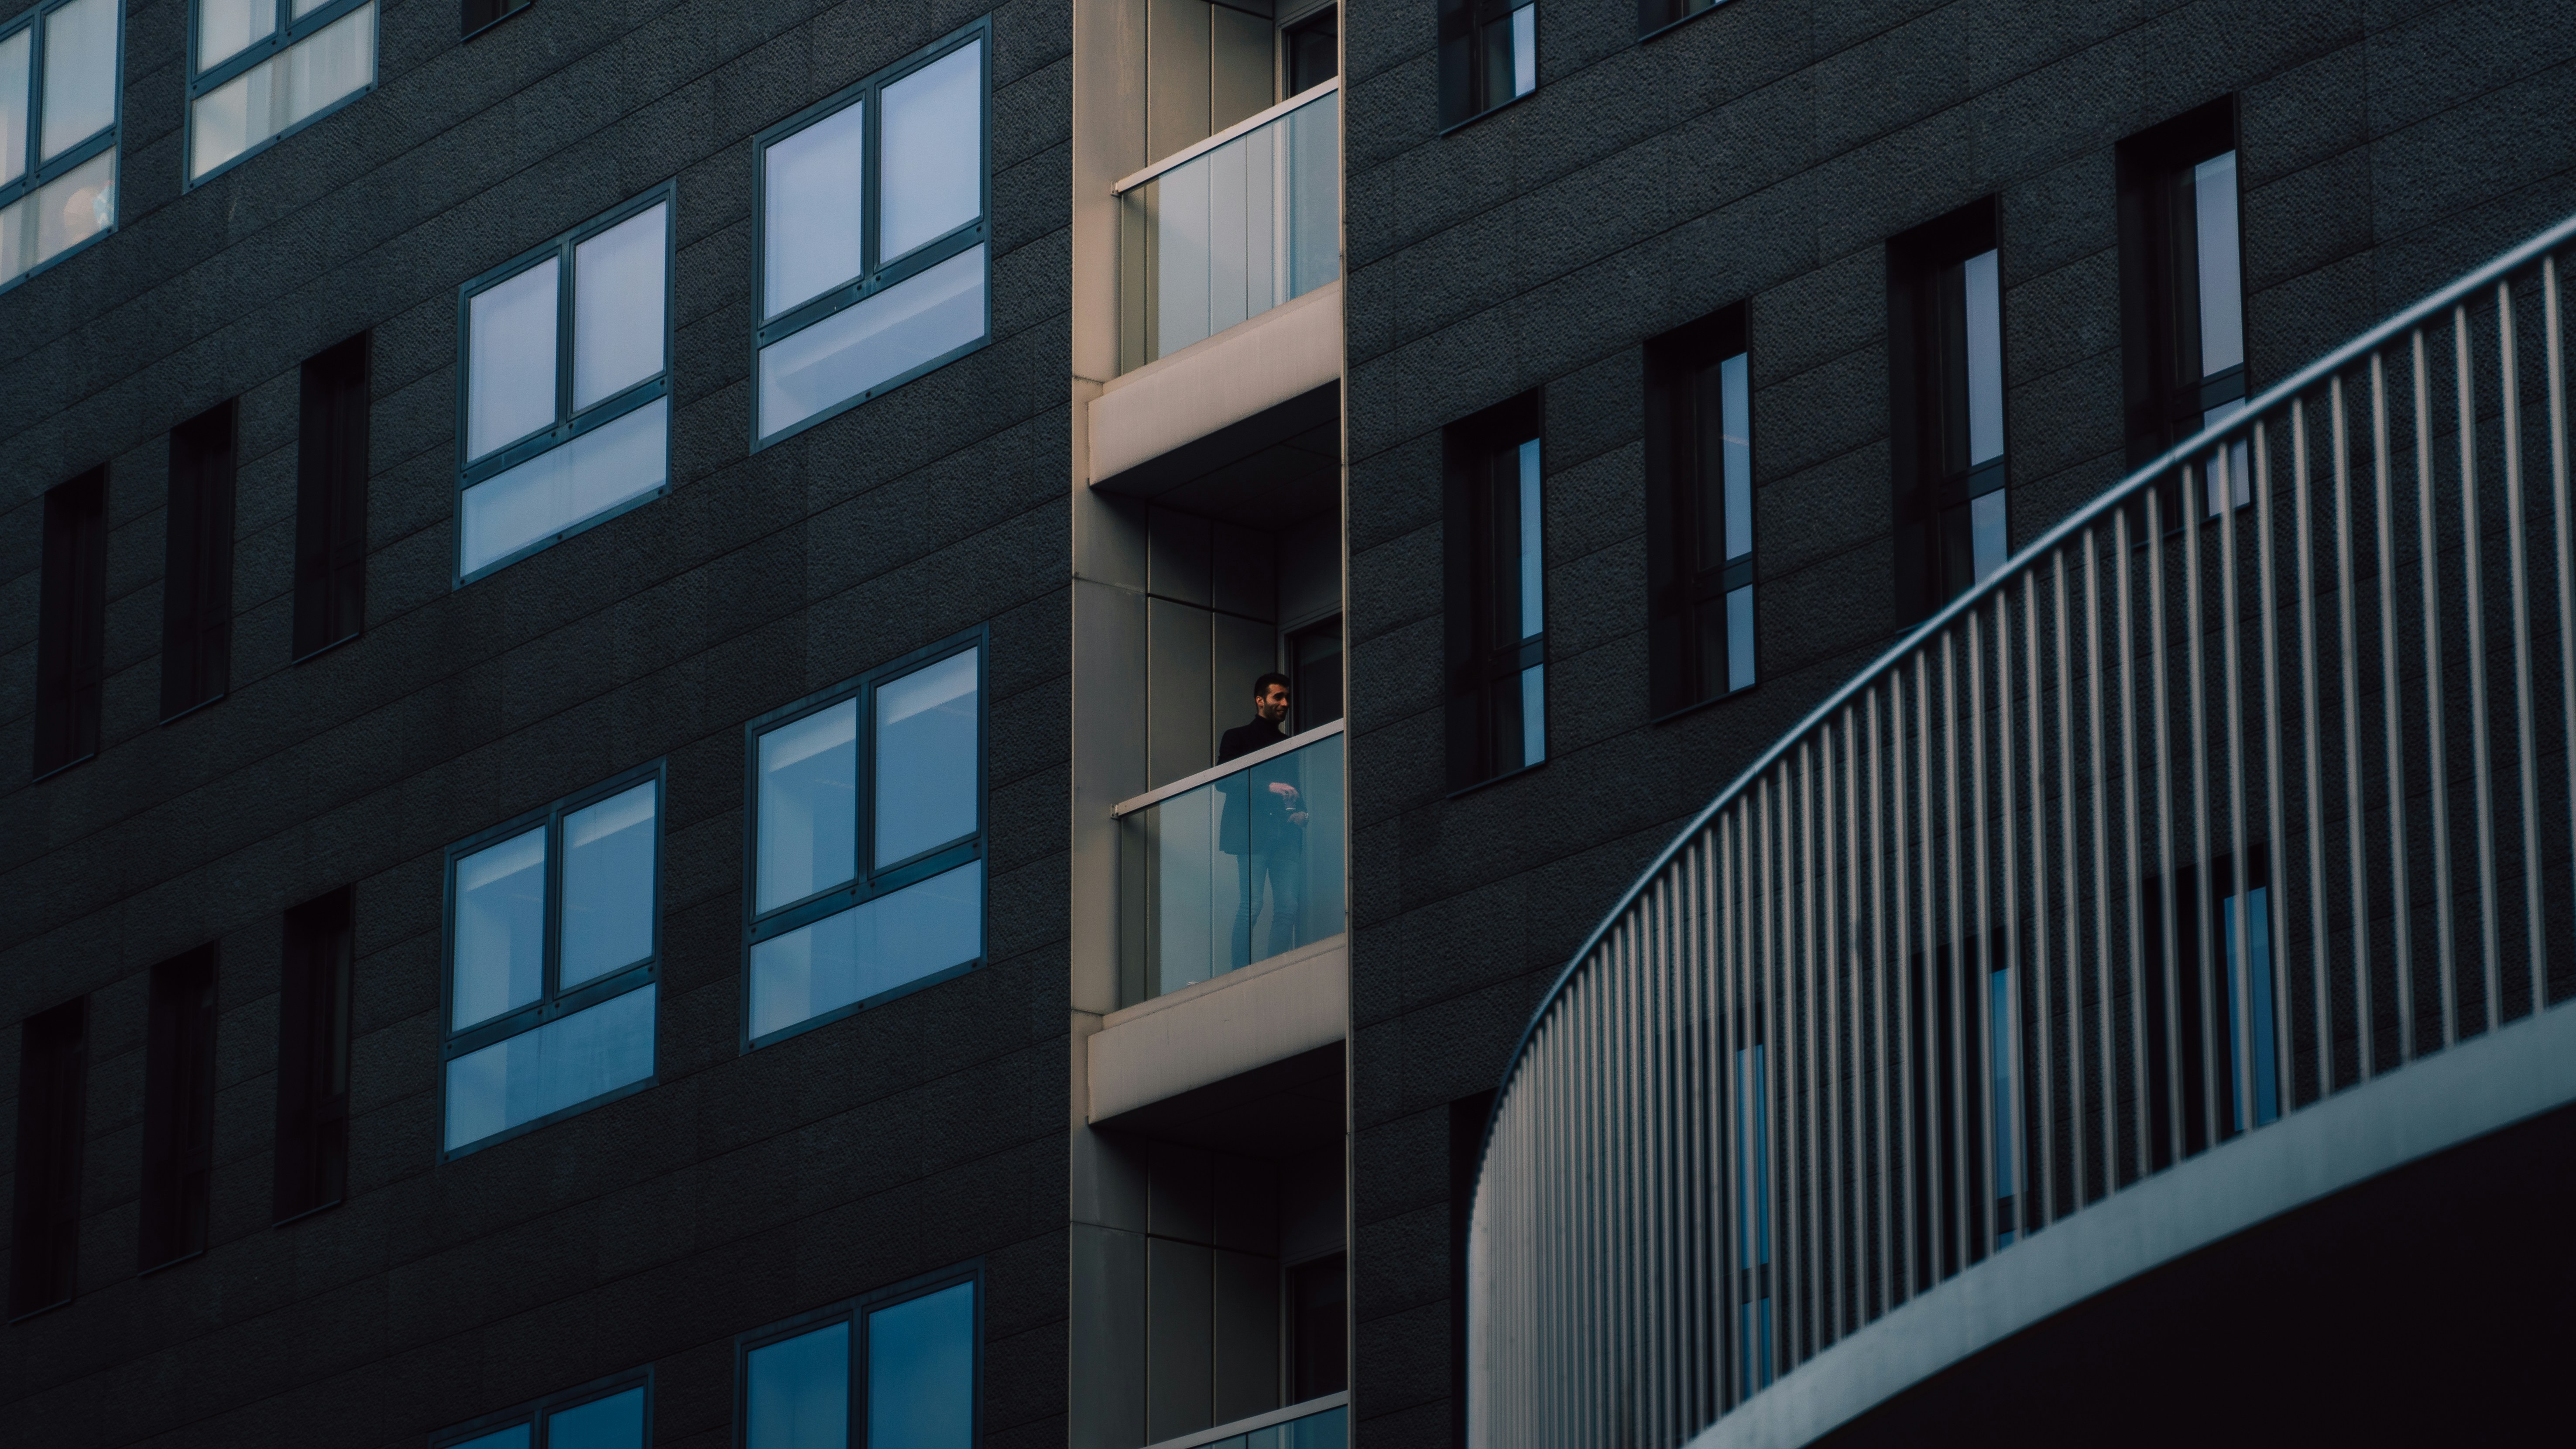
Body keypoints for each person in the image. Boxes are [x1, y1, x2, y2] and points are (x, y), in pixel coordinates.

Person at [1217, 673, 1307, 968]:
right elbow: (1224, 780)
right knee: (1252, 906)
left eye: (1287, 698)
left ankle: (1274, 969)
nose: (1284, 703)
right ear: (1260, 701)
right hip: (1253, 834)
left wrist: (1303, 815)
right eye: (1278, 697)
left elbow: (1299, 789)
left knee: (1288, 908)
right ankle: (1239, 972)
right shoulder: (1238, 736)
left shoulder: (1291, 744)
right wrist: (1269, 787)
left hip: (1286, 836)